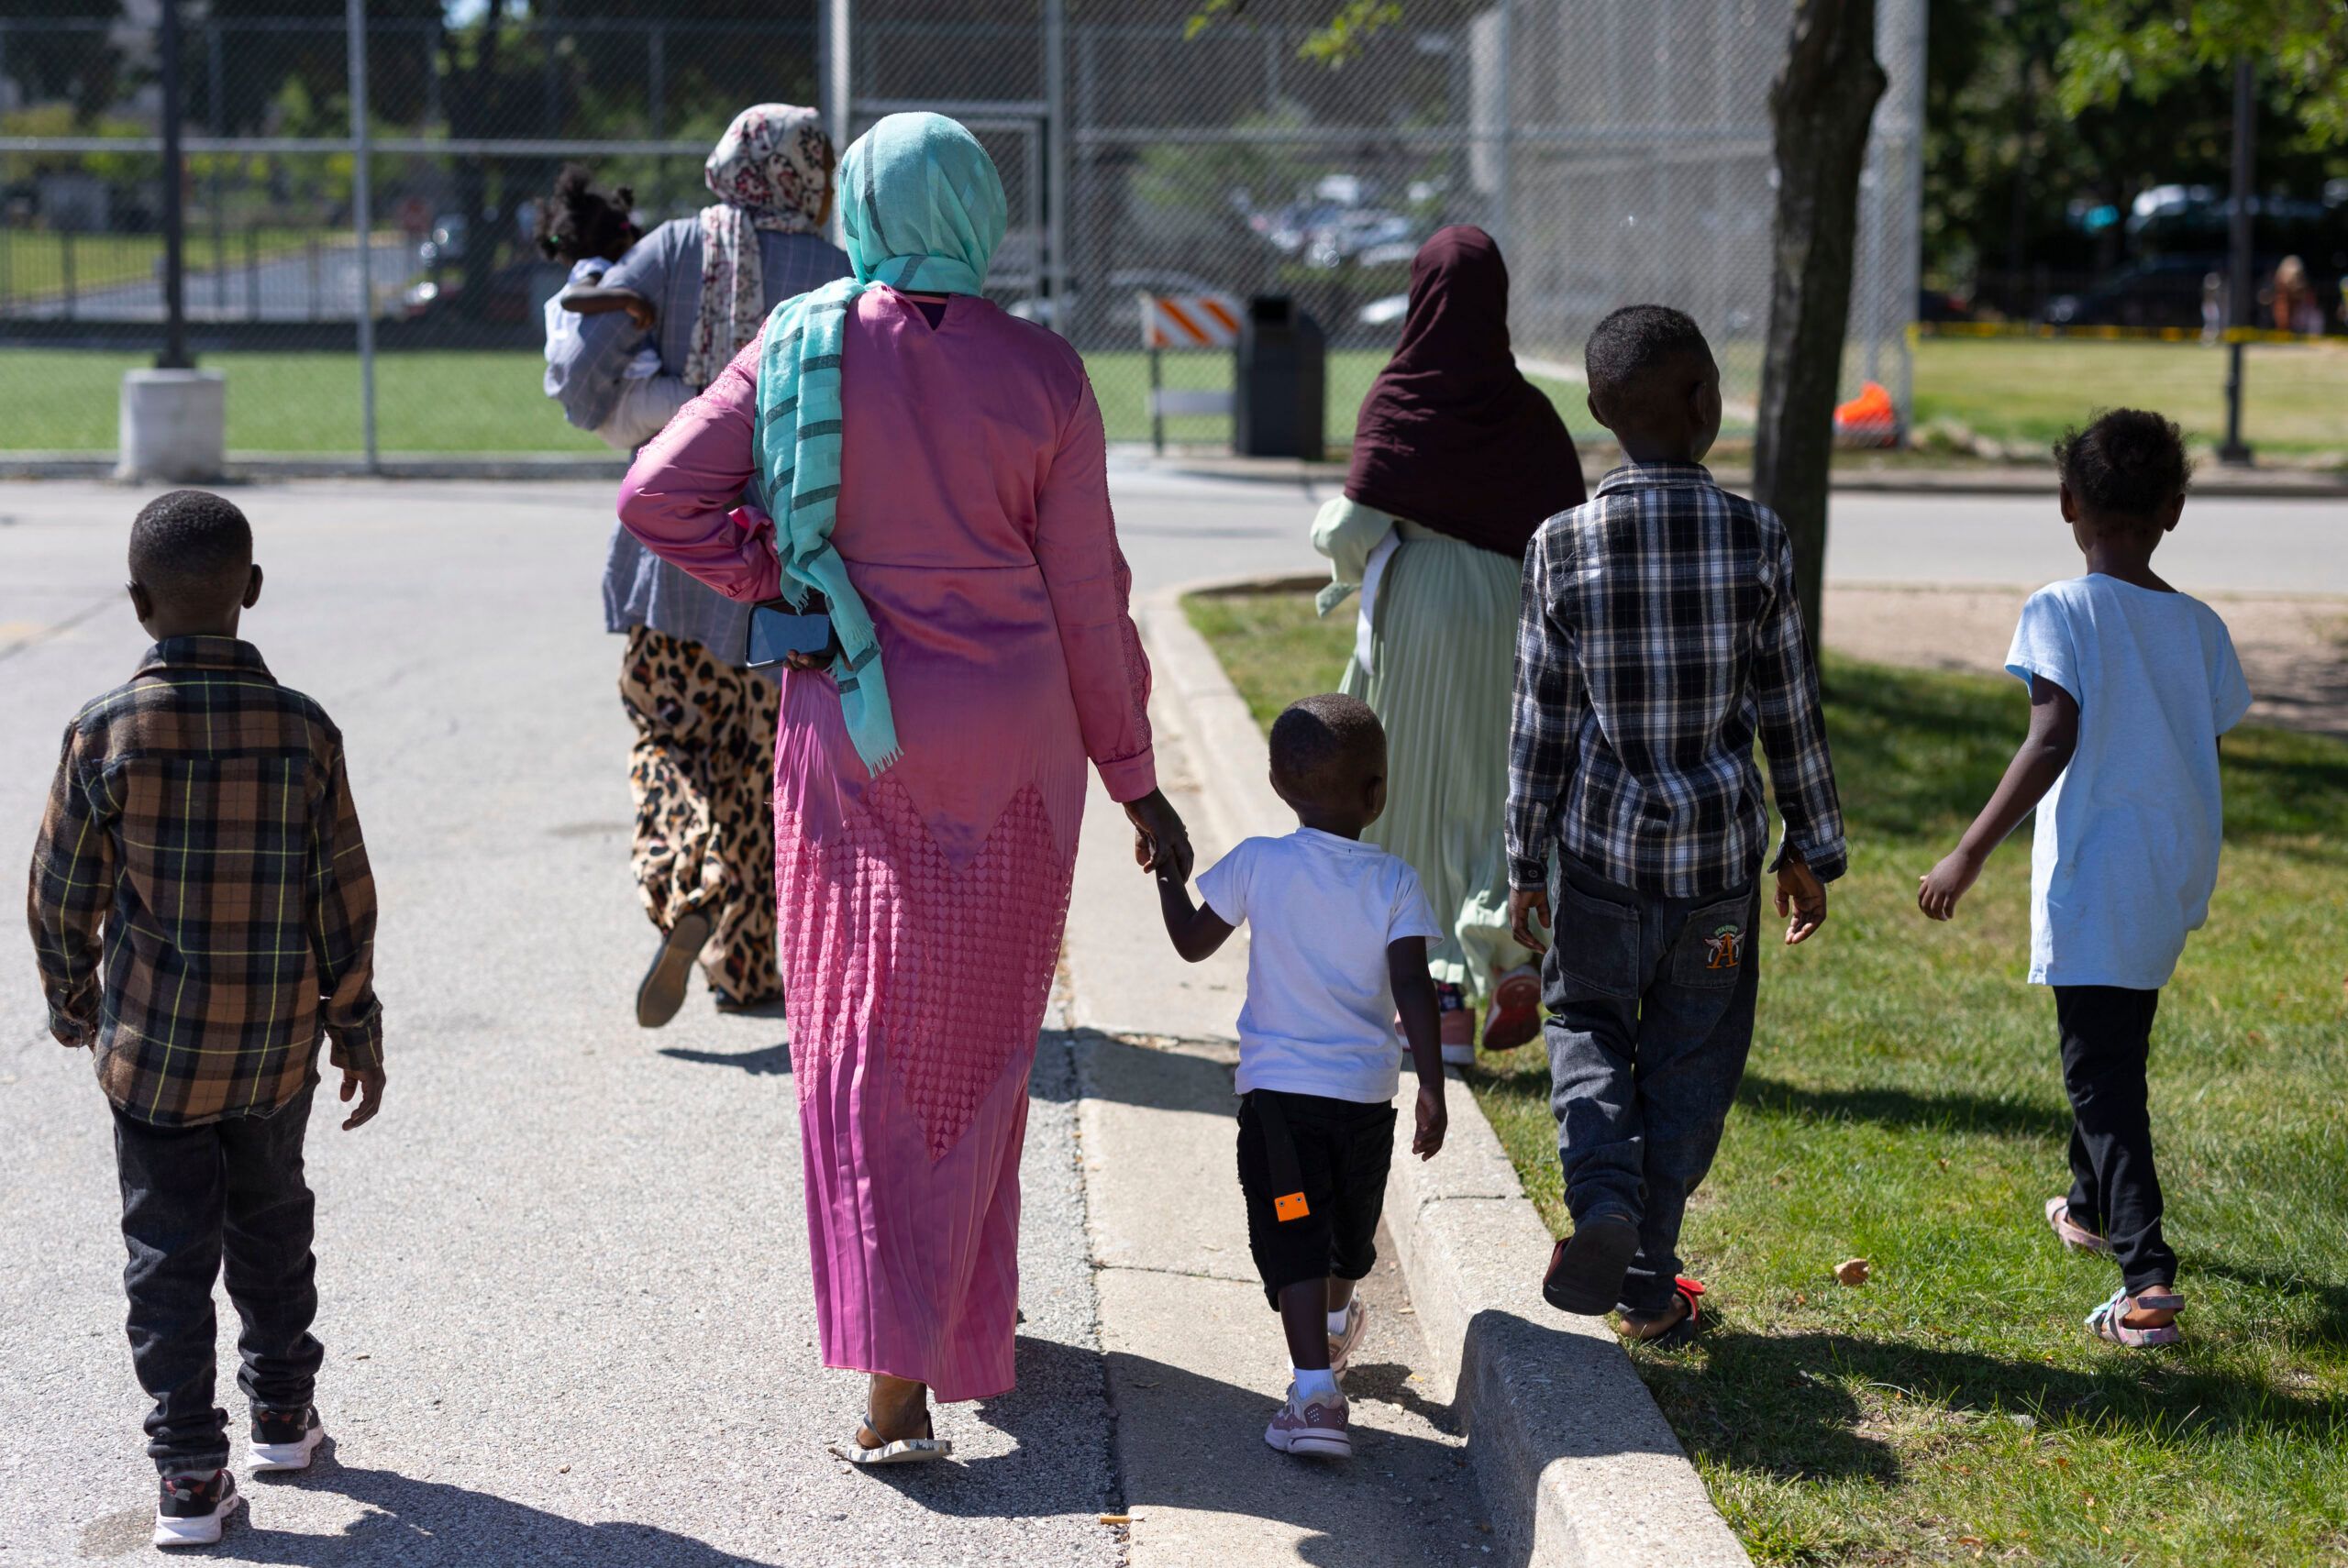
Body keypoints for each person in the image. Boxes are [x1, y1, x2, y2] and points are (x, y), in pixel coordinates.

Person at [615, 113, 1189, 1460]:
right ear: (980, 214)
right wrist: (1139, 781)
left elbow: (656, 497)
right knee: (982, 1043)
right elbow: (1091, 603)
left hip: (853, 734)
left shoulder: (802, 344)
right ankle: (961, 1314)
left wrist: (780, 576)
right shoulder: (1048, 373)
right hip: (1019, 752)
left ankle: (896, 1371)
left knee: (863, 1043)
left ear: (863, 212)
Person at [26, 491, 385, 1549]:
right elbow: (343, 896)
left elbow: (61, 893)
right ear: (252, 592)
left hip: (154, 1057)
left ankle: (188, 1471)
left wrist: (72, 1003)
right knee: (274, 1223)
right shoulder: (305, 731)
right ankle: (282, 1413)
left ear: (137, 604)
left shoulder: (104, 731)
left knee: (165, 1254)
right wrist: (354, 1027)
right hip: (275, 1050)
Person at [1505, 305, 1845, 1344]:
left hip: (1601, 859)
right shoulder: (1758, 538)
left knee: (1587, 1027)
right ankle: (1647, 1268)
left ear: (1598, 413)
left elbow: (1540, 721)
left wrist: (1523, 859)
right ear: (1707, 400)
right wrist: (1811, 847)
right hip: (1715, 876)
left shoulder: (1561, 543)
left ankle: (1602, 1200)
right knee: (1692, 1058)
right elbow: (1790, 705)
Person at [1919, 409, 2248, 1349]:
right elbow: (2201, 738)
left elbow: (2050, 735)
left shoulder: (2059, 608)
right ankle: (2086, 1204)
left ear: (2067, 503)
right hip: (2168, 868)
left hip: (2098, 871)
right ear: (2173, 511)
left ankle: (2146, 1282)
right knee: (2108, 1046)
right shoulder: (2198, 625)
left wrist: (1969, 850)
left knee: (2100, 1073)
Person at [546, 104, 851, 1027]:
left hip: (671, 561)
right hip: (783, 569)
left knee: (669, 741)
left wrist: (656, 398)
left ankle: (689, 881)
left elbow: (579, 377)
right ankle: (751, 968)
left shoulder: (676, 249)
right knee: (761, 770)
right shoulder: (842, 279)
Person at [1313, 226, 1585, 1066]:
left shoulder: (1402, 395)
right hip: (1514, 615)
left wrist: (1334, 546)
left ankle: (1440, 1010)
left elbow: (1353, 530)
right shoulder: (1529, 413)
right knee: (1494, 791)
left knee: (1415, 803)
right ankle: (1508, 954)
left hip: (1422, 614)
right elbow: (1566, 528)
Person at [1155, 694, 1447, 1460]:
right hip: (1364, 1102)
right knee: (1347, 1240)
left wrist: (1168, 876)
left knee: (1295, 1237)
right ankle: (1320, 1374)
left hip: (1279, 1104)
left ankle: (1316, 1386)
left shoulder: (1257, 861)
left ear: (1280, 785)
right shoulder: (1396, 881)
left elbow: (1190, 943)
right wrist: (1433, 1085)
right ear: (1377, 793)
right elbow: (1415, 987)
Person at [535, 164, 686, 452]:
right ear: (619, 241)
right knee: (710, 401)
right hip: (631, 396)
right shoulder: (596, 271)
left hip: (611, 407)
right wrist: (627, 300)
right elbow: (575, 299)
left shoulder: (586, 273)